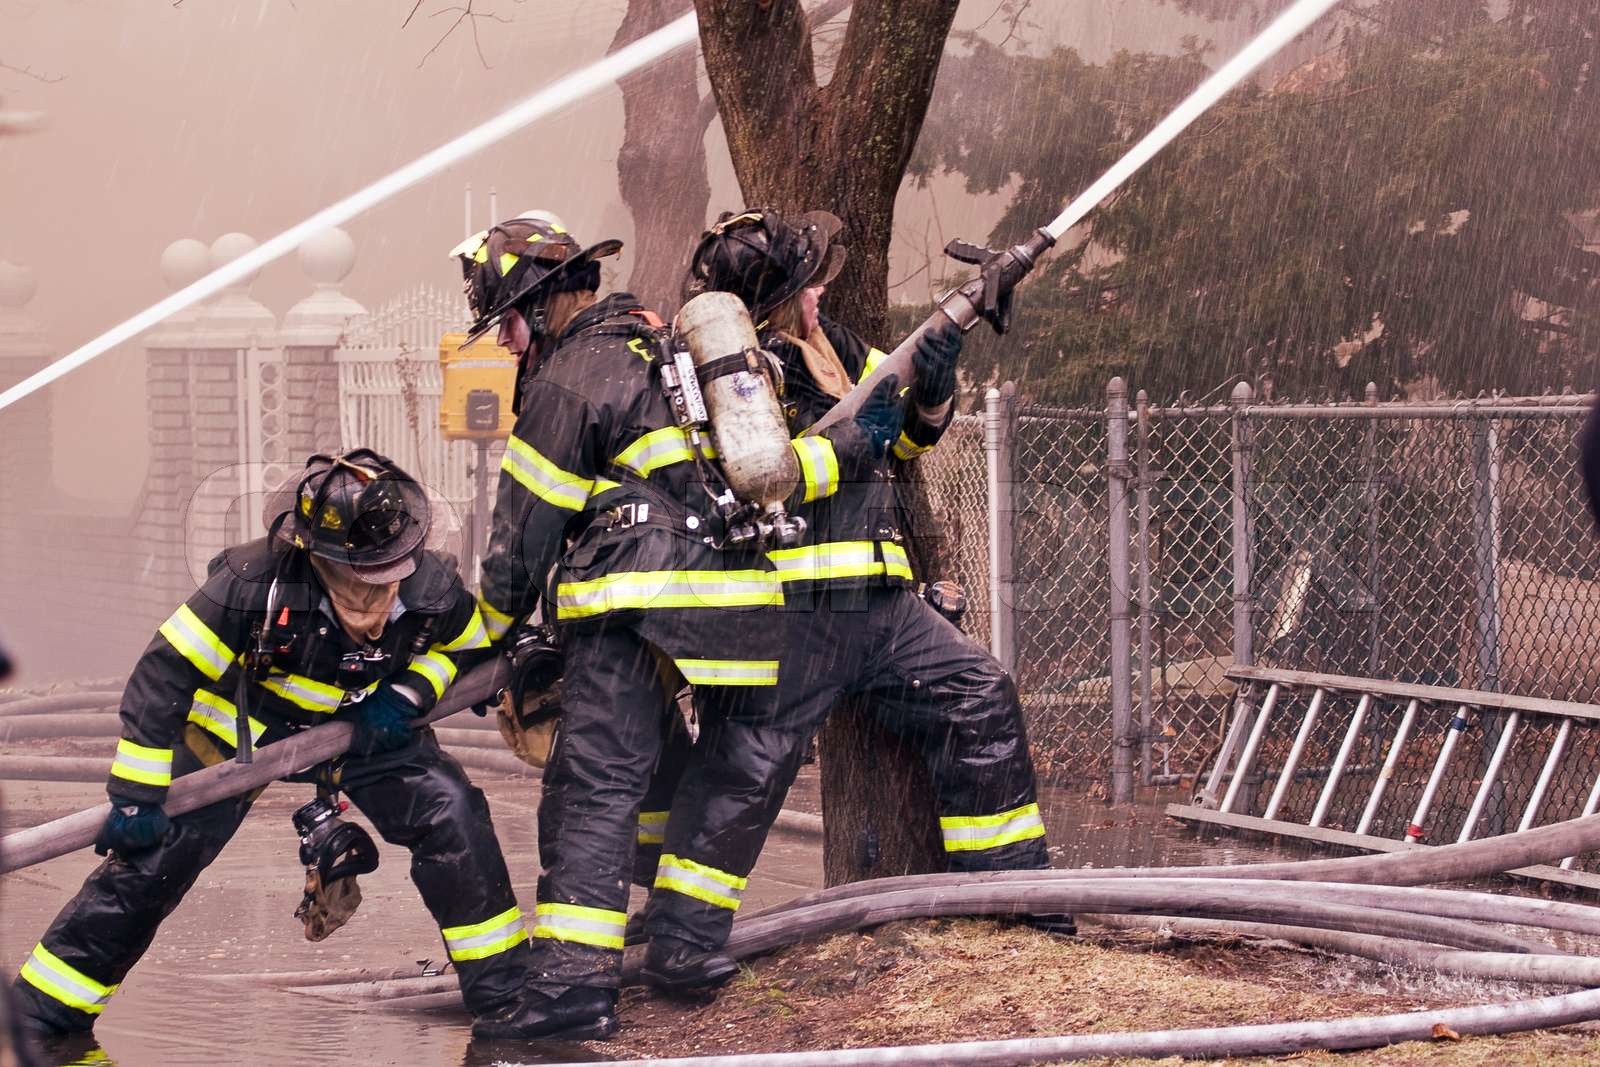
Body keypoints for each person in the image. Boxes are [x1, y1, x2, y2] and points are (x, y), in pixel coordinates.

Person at [461, 213, 886, 1039]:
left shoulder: (575, 372)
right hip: (738, 602)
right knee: (670, 767)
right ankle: (674, 935)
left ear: (548, 301)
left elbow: (524, 534)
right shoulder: (672, 350)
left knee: (594, 784)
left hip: (643, 597)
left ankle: (572, 989)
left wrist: (491, 638)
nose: (506, 342)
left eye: (508, 320)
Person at [633, 209, 1068, 954]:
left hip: (882, 604)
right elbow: (763, 482)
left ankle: (1009, 902)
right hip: (794, 608)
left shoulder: (832, 345)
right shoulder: (736, 379)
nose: (822, 293)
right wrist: (852, 444)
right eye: (809, 285)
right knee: (748, 762)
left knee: (978, 695)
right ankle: (680, 936)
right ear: (774, 297)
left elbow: (904, 437)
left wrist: (935, 383)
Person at [11, 450, 540, 1039]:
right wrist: (136, 794)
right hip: (244, 732)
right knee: (154, 860)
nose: (384, 589)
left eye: (394, 570)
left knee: (456, 817)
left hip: (366, 722)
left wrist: (410, 695)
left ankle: (507, 1000)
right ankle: (42, 1017)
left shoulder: (431, 584)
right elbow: (163, 678)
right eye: (365, 576)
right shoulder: (249, 587)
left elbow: (467, 646)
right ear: (316, 555)